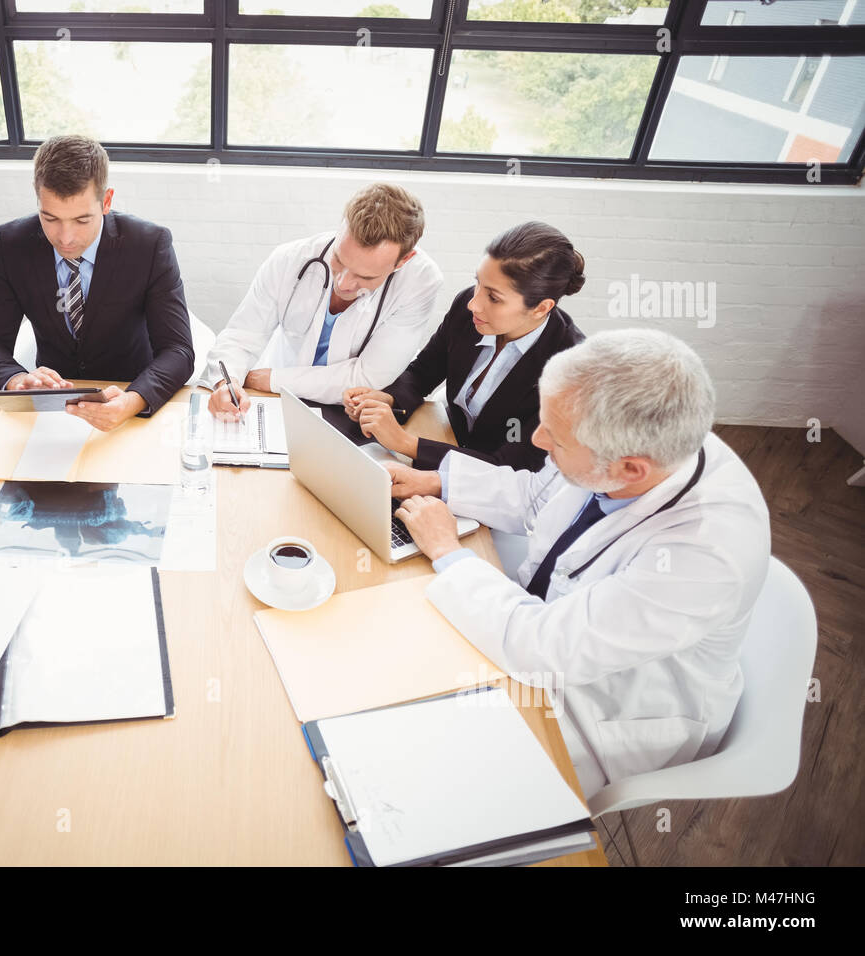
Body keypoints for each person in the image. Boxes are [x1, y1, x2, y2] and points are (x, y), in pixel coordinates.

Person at [386, 330, 771, 797]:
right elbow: (536, 497)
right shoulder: (624, 437)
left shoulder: (705, 555)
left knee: (433, 775)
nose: (537, 438)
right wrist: (434, 481)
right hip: (540, 631)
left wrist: (449, 552)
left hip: (610, 706)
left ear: (631, 470)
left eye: (555, 438)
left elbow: (542, 650)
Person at [0, 135, 194, 432]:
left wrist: (134, 399)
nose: (65, 238)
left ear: (107, 201)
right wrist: (16, 379)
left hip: (128, 400)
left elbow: (178, 350)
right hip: (51, 409)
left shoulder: (149, 244)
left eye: (81, 220)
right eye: (50, 218)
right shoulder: (12, 244)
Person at [344, 221, 585, 472]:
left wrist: (406, 443)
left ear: (541, 308)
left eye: (493, 297)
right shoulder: (468, 309)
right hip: (446, 439)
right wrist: (389, 399)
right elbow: (424, 371)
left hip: (492, 486)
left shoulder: (571, 372)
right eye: (478, 282)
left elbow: (510, 466)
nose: (474, 304)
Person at [198, 183, 443, 415]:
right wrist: (226, 383)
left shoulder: (420, 282)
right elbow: (242, 336)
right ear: (341, 227)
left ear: (403, 260)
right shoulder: (289, 259)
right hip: (276, 399)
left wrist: (271, 378)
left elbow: (367, 377)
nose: (344, 283)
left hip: (349, 410)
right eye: (339, 260)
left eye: (364, 276)